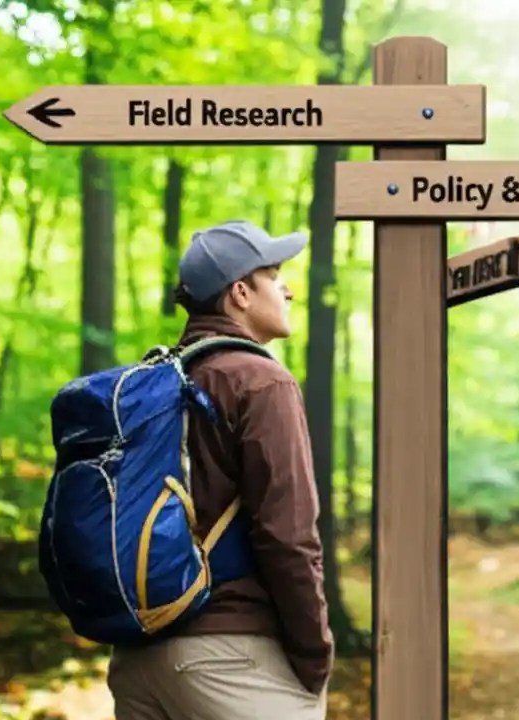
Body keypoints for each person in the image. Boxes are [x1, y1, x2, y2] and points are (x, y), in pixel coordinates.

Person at [106, 219, 334, 720]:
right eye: (274, 276)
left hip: (138, 660)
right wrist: (315, 654)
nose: (288, 289)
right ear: (240, 293)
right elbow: (288, 535)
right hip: (228, 658)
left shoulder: (161, 380)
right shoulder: (261, 382)